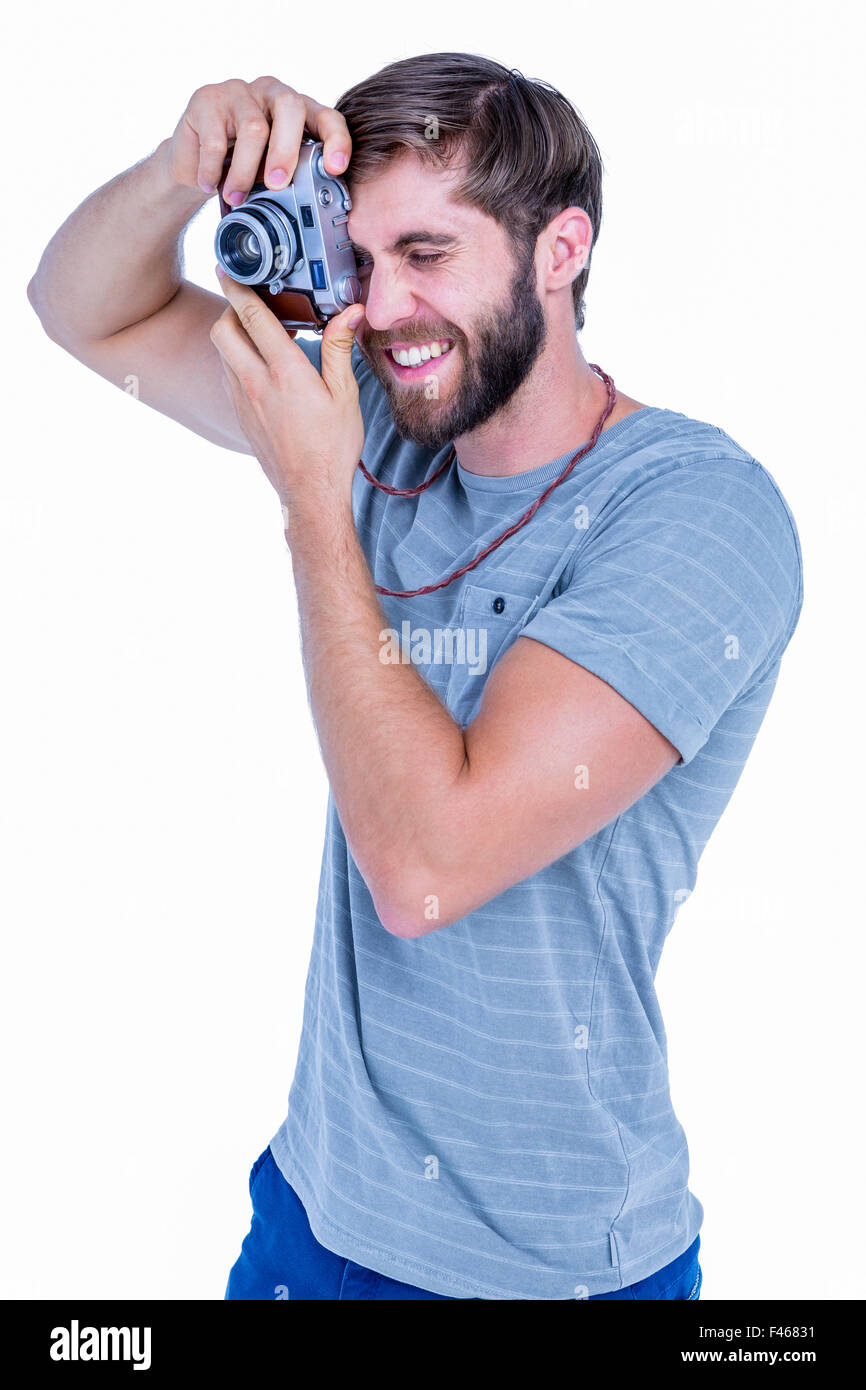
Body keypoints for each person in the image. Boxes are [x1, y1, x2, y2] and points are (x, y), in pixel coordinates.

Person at [28, 51, 803, 1301]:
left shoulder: (695, 515)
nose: (379, 311)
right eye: (359, 258)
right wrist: (184, 167)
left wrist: (312, 508)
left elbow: (426, 869)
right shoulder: (381, 416)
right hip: (311, 1213)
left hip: (540, 1271)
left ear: (559, 250)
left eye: (427, 255)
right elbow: (85, 313)